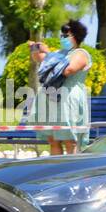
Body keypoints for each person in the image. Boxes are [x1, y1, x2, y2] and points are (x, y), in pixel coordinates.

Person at [33, 18, 91, 155]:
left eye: (66, 36)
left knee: (70, 140)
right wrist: (35, 48)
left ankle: (72, 173)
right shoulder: (59, 53)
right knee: (53, 139)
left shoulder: (81, 53)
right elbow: (39, 59)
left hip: (69, 97)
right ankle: (54, 172)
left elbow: (67, 70)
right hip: (51, 96)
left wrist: (47, 53)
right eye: (62, 35)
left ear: (76, 36)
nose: (63, 38)